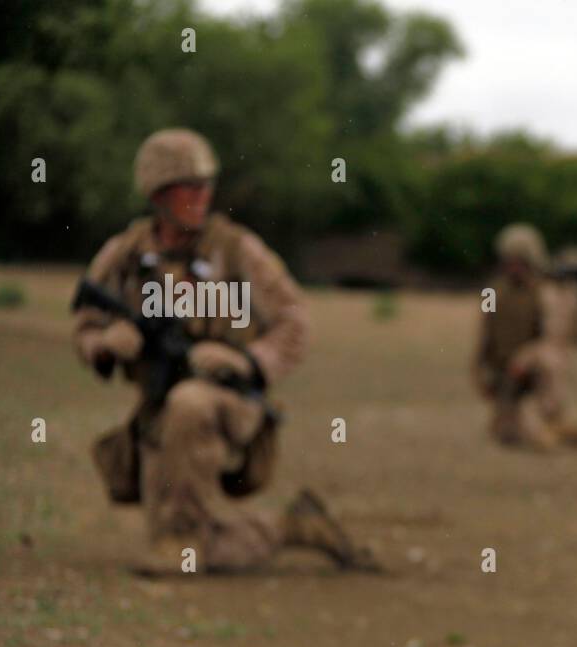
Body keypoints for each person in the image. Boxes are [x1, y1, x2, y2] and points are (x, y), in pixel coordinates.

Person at [74, 128, 375, 573]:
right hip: (158, 407)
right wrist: (103, 346)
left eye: (206, 185)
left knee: (189, 405)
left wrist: (248, 360)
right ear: (157, 193)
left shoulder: (236, 249)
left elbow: (295, 320)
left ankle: (182, 540)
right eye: (187, 186)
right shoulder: (126, 254)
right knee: (196, 546)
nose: (200, 196)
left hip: (227, 399)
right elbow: (85, 323)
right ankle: (294, 528)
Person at [473, 223, 575, 450]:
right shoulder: (493, 292)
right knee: (507, 435)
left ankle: (552, 417)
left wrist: (525, 358)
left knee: (550, 360)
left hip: (533, 366)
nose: (514, 266)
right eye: (510, 260)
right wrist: (480, 370)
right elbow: (486, 333)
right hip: (504, 373)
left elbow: (554, 339)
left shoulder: (547, 292)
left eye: (519, 261)